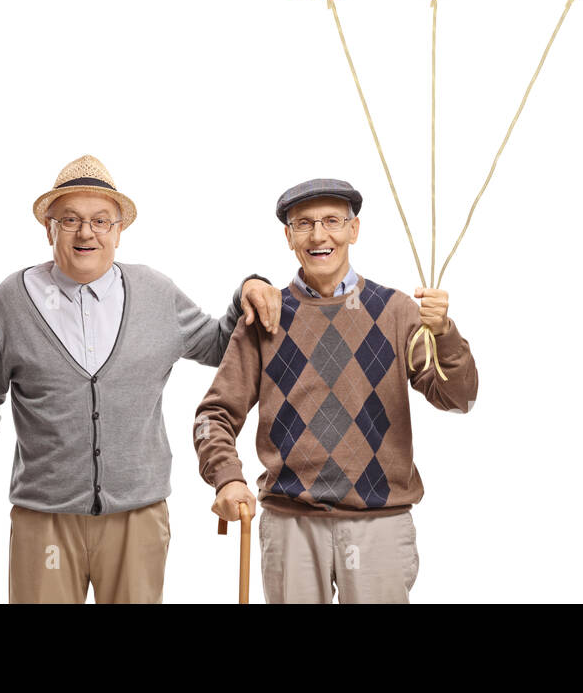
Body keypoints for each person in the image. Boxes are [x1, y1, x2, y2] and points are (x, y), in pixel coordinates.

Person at [0, 154, 281, 604]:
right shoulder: (12, 301)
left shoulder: (156, 295)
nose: (87, 233)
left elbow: (221, 346)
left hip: (137, 516)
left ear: (119, 231)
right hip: (44, 516)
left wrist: (247, 290)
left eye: (101, 220)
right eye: (71, 220)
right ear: (50, 228)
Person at [192, 178, 478, 603]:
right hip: (290, 523)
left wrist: (446, 334)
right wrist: (226, 479)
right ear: (289, 237)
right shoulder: (266, 316)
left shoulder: (396, 311)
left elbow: (458, 398)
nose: (319, 235)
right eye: (304, 224)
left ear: (354, 230)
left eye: (332, 221)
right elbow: (214, 415)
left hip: (379, 521)